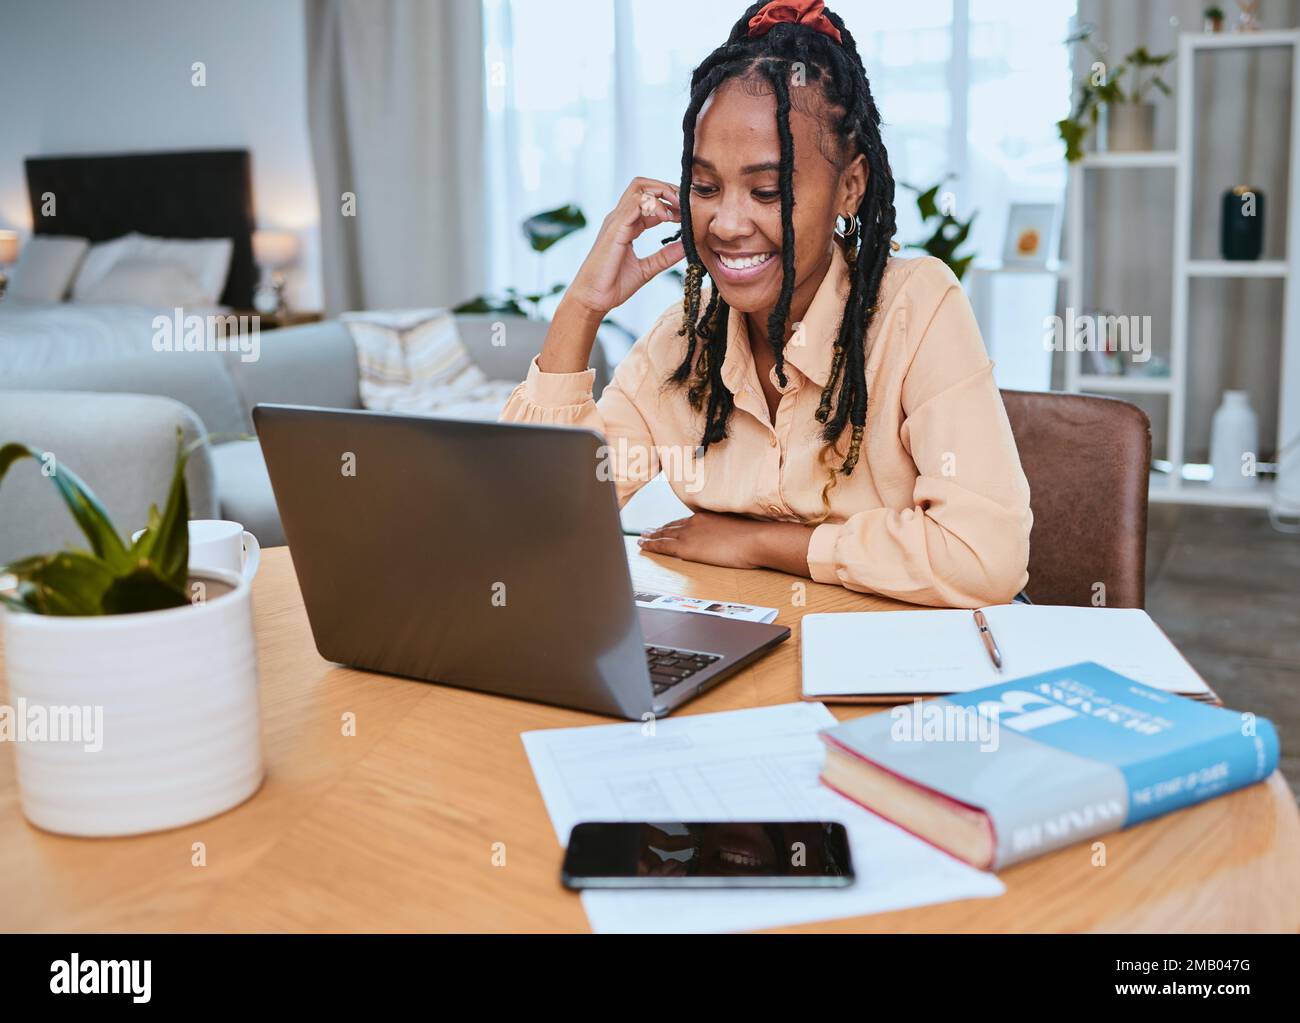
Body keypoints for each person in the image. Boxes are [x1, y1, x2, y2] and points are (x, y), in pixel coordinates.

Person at [499, 0, 1032, 609]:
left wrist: (762, 543)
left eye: (766, 190)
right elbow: (532, 526)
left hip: (897, 664)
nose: (726, 223)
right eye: (704, 187)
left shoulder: (916, 306)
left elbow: (985, 557)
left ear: (849, 187)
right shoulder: (681, 340)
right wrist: (583, 307)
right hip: (748, 659)